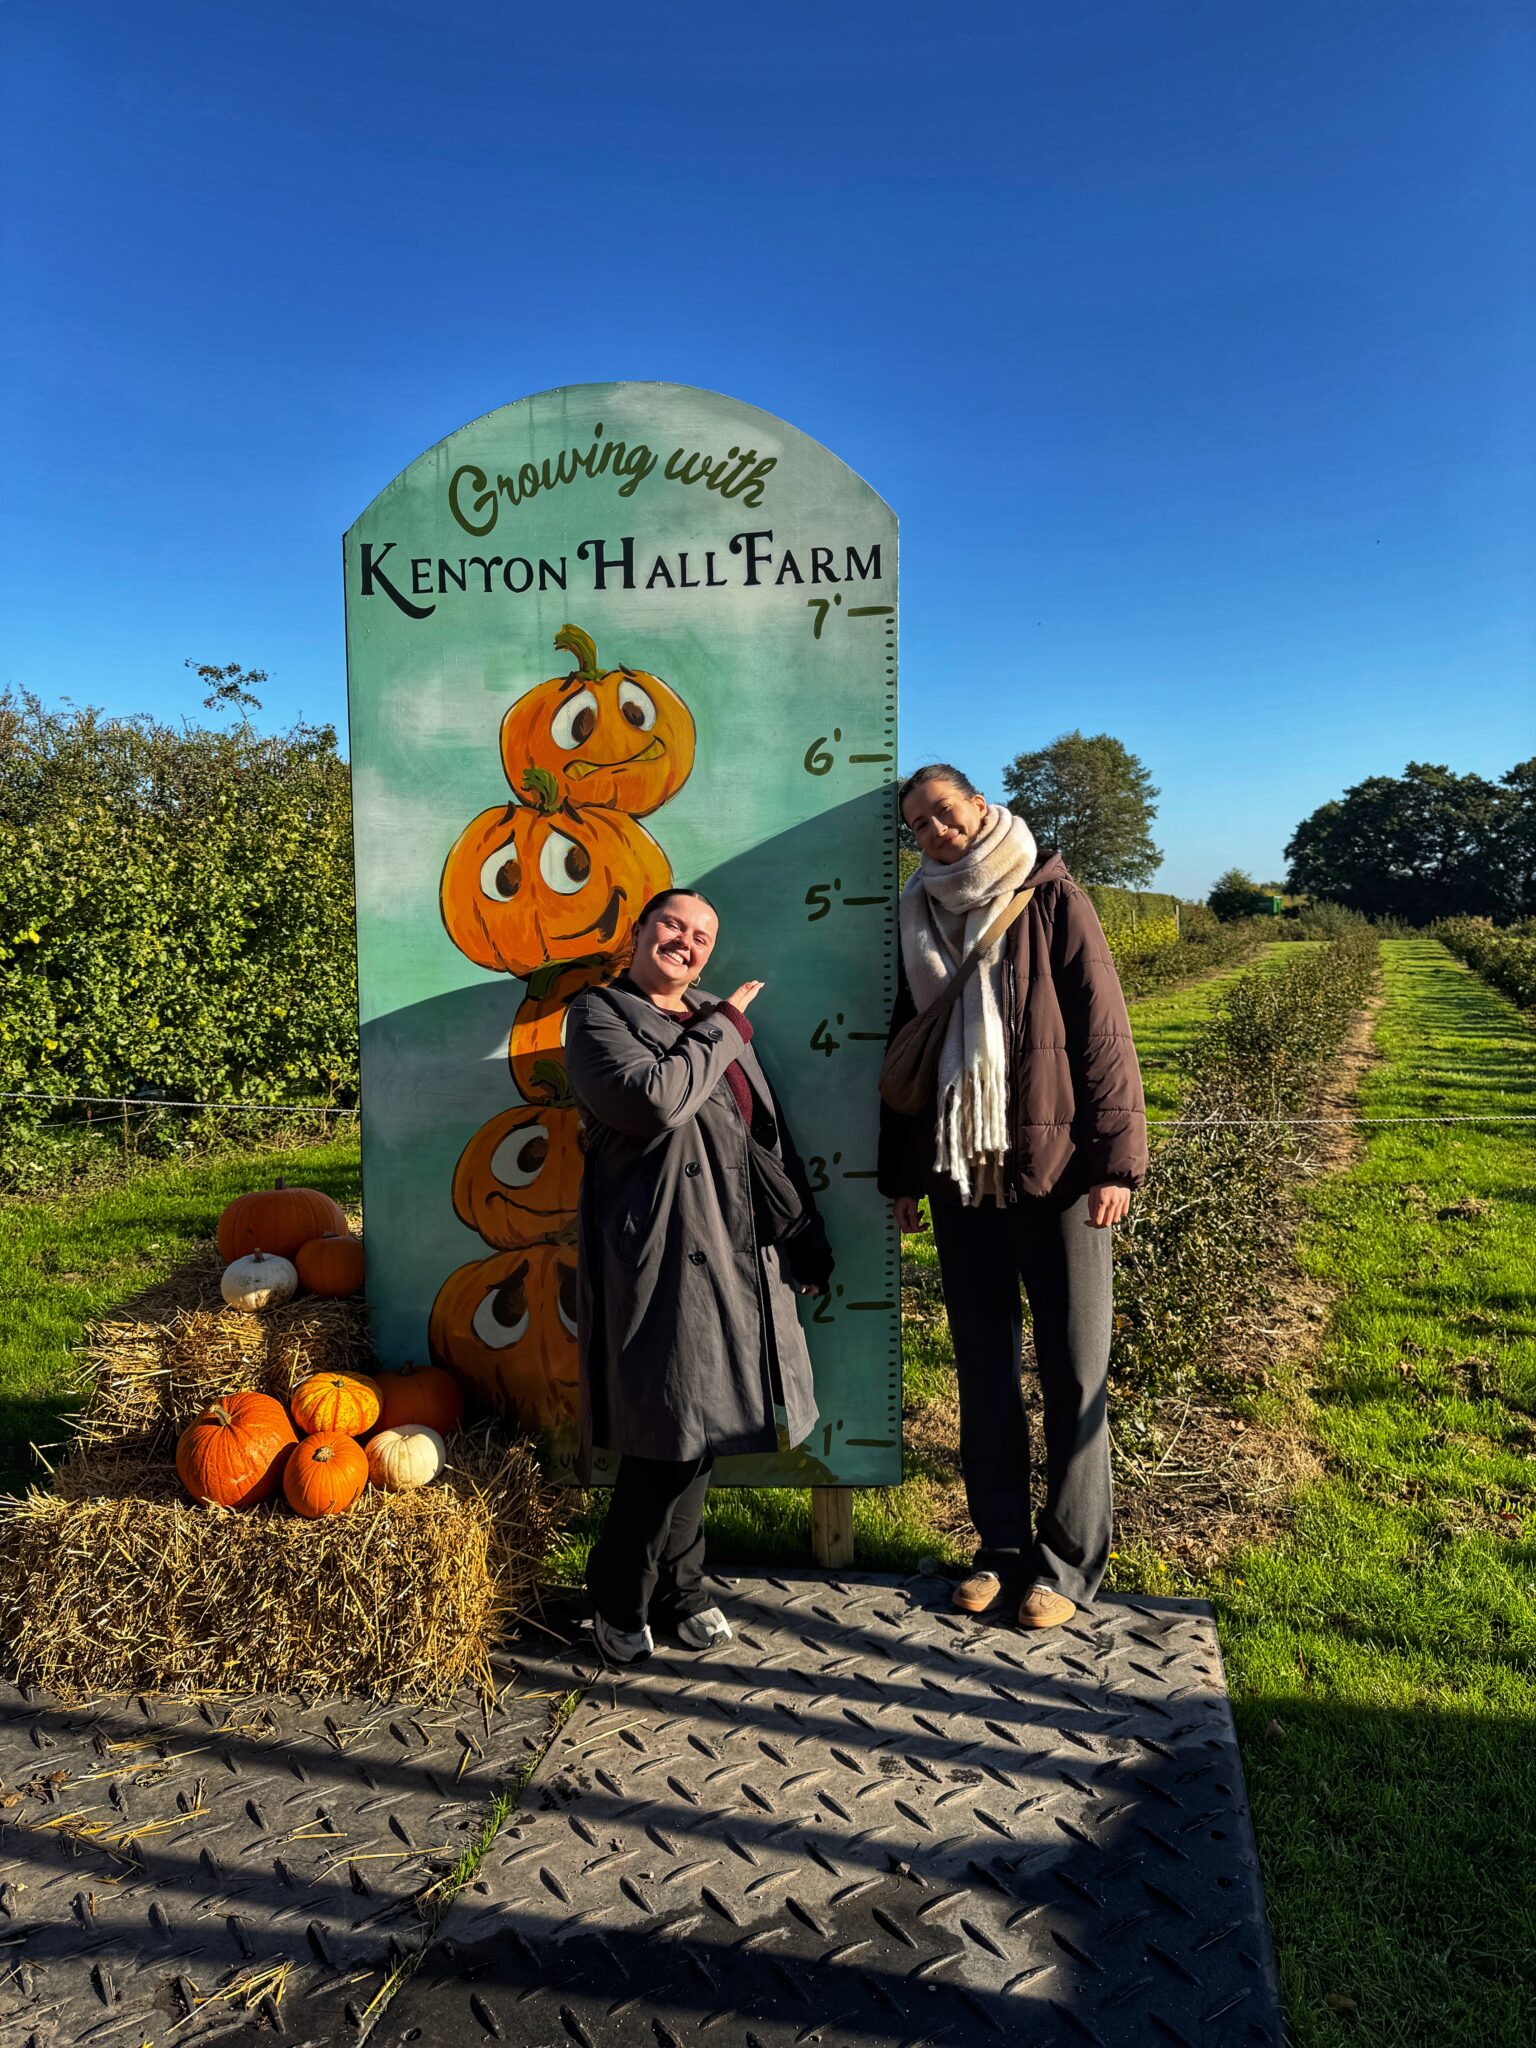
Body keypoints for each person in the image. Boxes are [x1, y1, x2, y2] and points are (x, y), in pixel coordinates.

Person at [879, 765, 1148, 1630]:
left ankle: (1065, 1565)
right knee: (984, 1369)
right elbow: (910, 1047)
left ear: (980, 807)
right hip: (963, 1173)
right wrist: (902, 1176)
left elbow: (1102, 1030)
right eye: (919, 825)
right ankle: (999, 1548)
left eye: (944, 813)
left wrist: (1115, 1165)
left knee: (1074, 1368)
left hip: (1059, 1171)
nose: (935, 832)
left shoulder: (1051, 895)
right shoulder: (918, 913)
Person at [564, 887, 834, 1664]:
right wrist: (723, 1027)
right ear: (640, 931)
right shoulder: (599, 1015)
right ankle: (618, 1594)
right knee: (667, 1431)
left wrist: (804, 1235)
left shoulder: (712, 1016)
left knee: (705, 1429)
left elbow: (763, 1137)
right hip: (662, 1246)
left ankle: (680, 1588)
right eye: (672, 925)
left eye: (702, 936)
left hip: (737, 1244)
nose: (685, 942)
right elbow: (652, 1102)